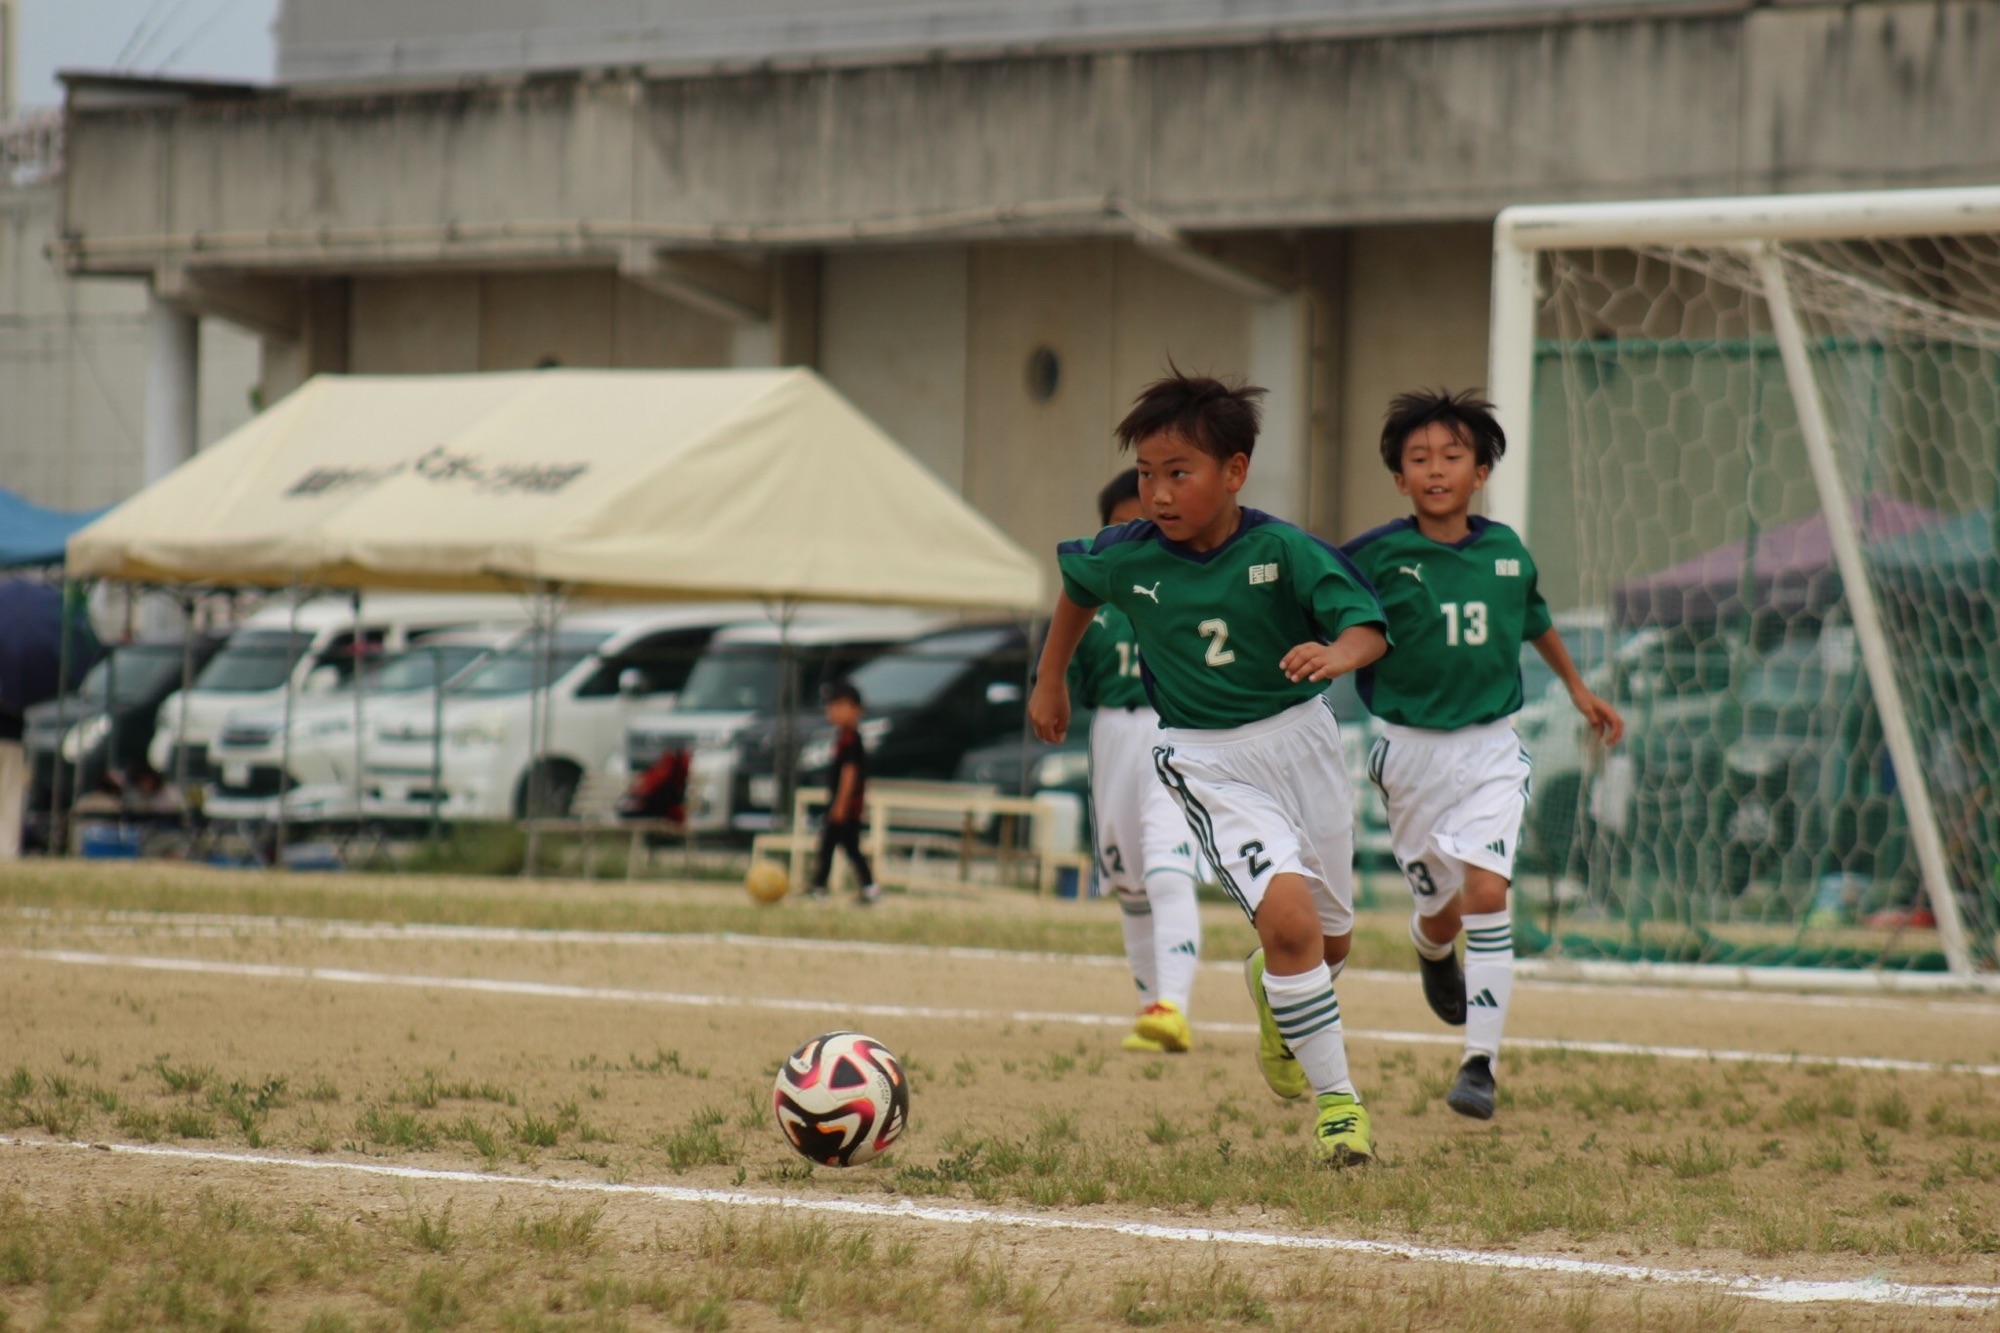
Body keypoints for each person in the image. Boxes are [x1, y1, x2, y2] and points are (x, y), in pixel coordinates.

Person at [1030, 371, 1391, 1165]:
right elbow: (1075, 588)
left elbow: (1368, 625)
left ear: (1235, 471)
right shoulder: (1129, 555)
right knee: (1292, 924)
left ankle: (1274, 988)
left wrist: (1337, 652)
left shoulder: (1282, 550)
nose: (1157, 492)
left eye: (1178, 472)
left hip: (1303, 744)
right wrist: (1052, 676)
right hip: (1205, 759)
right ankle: (1341, 1108)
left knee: (1328, 950)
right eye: (1147, 474)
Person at [1341, 388, 1623, 1121]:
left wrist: (1579, 689)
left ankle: (1480, 1064)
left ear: (1482, 470)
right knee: (1442, 910)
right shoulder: (1373, 556)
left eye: (1453, 456)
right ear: (1400, 479)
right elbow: (1310, 599)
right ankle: (1432, 949)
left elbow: (1535, 620)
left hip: (1493, 750)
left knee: (1489, 894)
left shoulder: (1505, 552)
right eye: (1419, 459)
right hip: (1408, 758)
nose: (1437, 469)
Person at [1069, 468, 1204, 1054]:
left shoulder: (1188, 589)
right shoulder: (1091, 608)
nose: (1134, 535)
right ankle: (1152, 1005)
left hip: (1174, 731)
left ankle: (1174, 1005)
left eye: (1145, 522)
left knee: (1170, 869)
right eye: (1121, 525)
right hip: (1113, 739)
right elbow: (1063, 677)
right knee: (1128, 881)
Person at [808, 680, 880, 906]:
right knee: (839, 847)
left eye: (840, 706)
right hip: (843, 805)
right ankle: (865, 888)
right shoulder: (842, 739)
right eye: (831, 707)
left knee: (838, 847)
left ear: (857, 710)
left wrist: (840, 804)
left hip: (847, 807)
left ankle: (822, 887)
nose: (834, 712)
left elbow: (849, 773)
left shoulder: (851, 740)